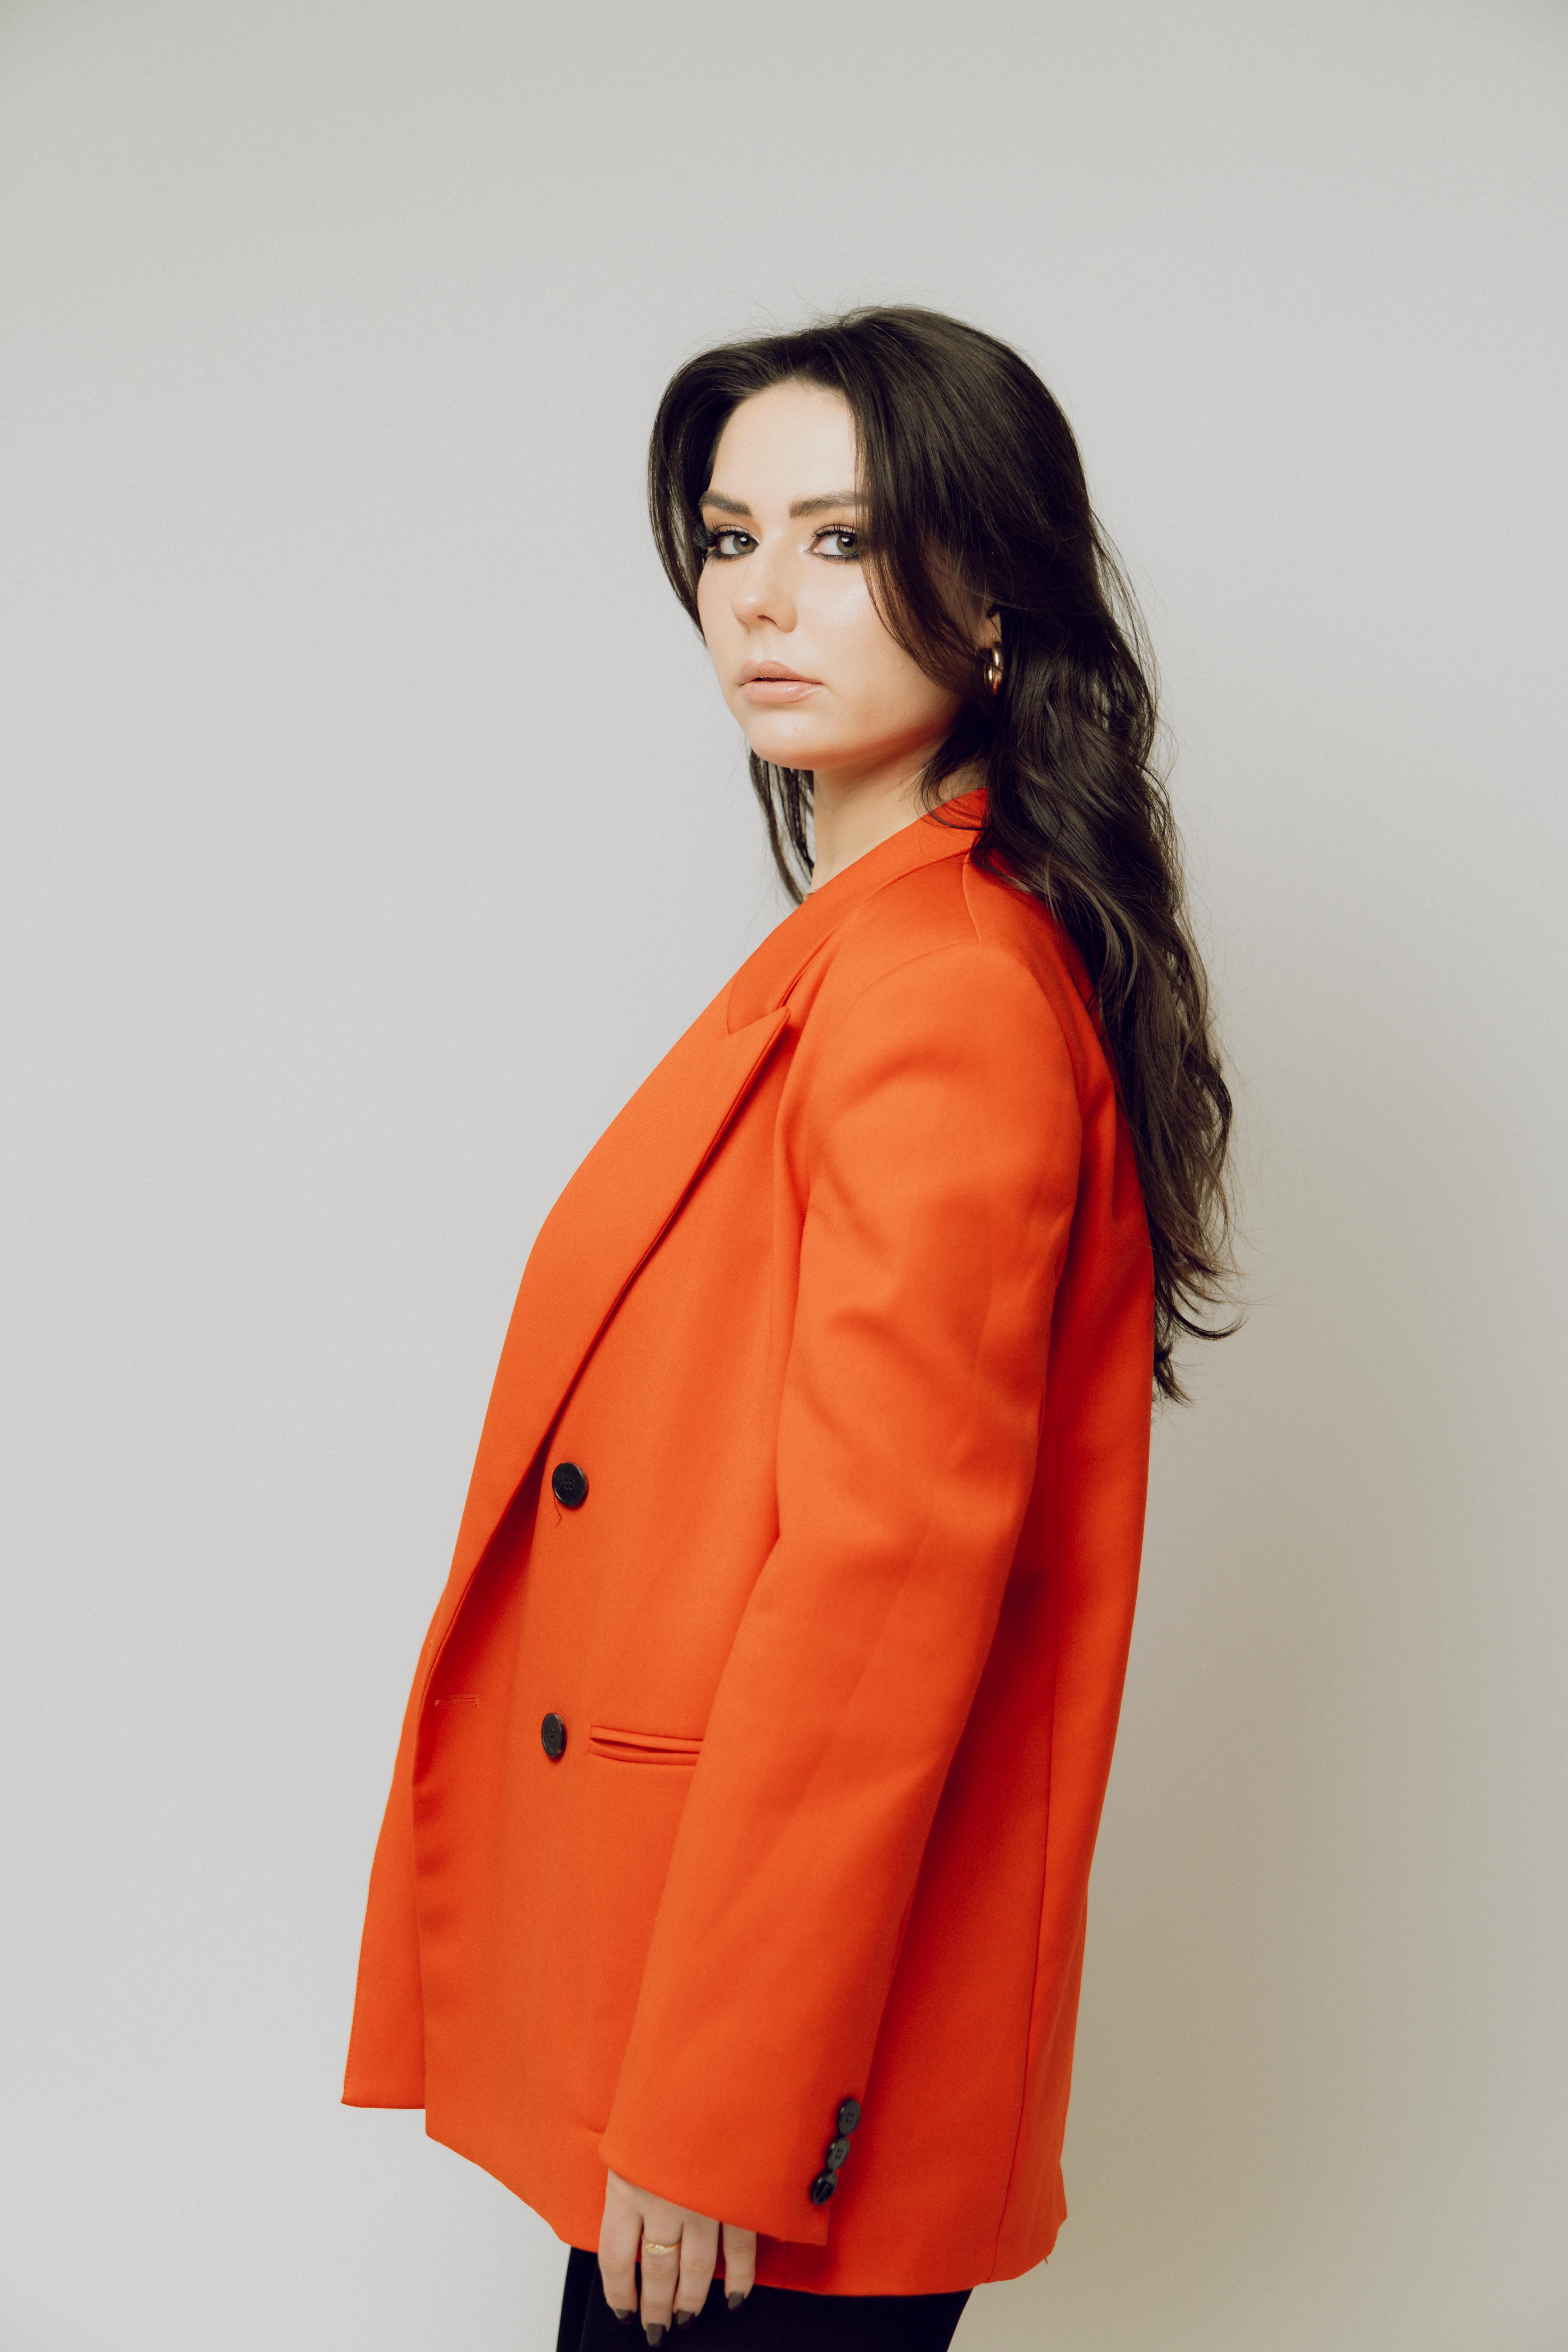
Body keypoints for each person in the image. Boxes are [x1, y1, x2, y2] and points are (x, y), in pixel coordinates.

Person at [342, 306, 1235, 2350]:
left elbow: (889, 1583)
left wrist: (724, 2102)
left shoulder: (938, 984)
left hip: (765, 2066)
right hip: (703, 1994)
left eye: (842, 539)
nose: (761, 597)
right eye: (732, 536)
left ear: (993, 592)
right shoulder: (892, 940)